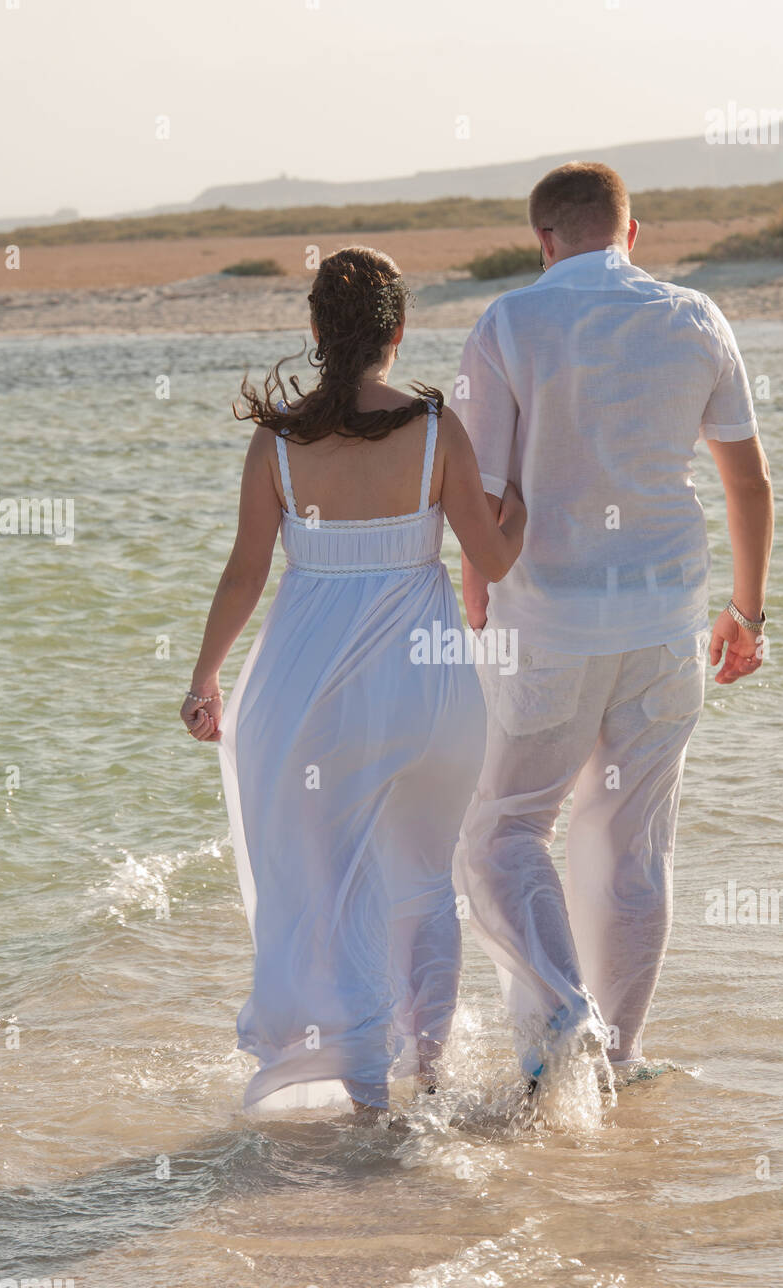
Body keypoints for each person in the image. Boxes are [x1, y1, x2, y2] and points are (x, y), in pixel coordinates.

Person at [180, 247, 525, 1119]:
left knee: (329, 888)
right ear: (397, 333)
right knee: (422, 880)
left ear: (315, 333)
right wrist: (517, 504)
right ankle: (433, 1073)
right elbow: (492, 559)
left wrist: (206, 677)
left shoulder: (279, 441)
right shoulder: (436, 429)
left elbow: (243, 573)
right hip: (429, 697)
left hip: (311, 704)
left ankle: (363, 1085)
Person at [453, 162, 774, 1086]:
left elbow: (485, 492)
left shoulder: (509, 321)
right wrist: (747, 614)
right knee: (629, 844)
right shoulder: (695, 317)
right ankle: (620, 1057)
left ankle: (562, 1012)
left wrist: (476, 590)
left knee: (503, 832)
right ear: (632, 233)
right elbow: (747, 482)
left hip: (547, 619)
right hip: (667, 618)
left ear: (543, 241)